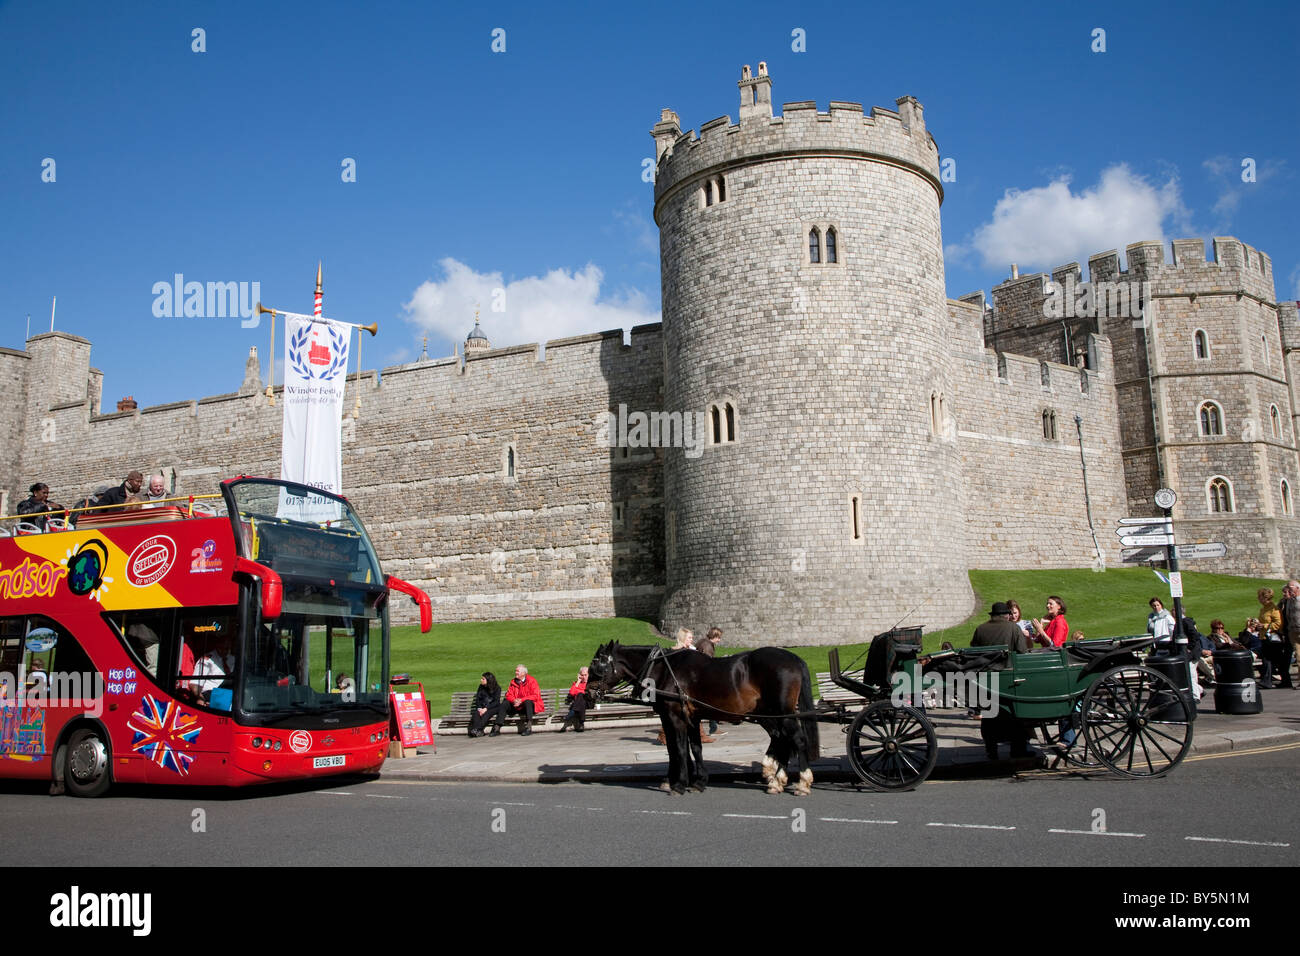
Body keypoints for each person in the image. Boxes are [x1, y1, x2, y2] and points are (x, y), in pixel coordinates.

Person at [1258, 586, 1290, 688]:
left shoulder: (1273, 609)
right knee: (1271, 660)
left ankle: (1268, 681)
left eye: (1259, 597)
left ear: (1265, 597)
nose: (1258, 599)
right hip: (1265, 637)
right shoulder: (1264, 609)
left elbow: (1278, 623)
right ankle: (1282, 681)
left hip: (1273, 638)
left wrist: (1264, 626)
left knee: (1270, 660)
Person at [503, 664, 544, 735]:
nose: (515, 672)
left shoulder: (532, 681)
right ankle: (496, 727)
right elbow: (508, 695)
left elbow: (535, 696)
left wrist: (521, 700)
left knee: (528, 702)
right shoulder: (513, 682)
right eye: (516, 671)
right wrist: (514, 700)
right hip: (517, 706)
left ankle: (528, 727)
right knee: (505, 703)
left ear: (523, 673)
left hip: (529, 707)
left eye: (517, 671)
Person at [1237, 618, 1275, 688]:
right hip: (1252, 652)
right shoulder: (1245, 634)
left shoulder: (1261, 633)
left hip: (1263, 651)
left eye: (1256, 625)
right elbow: (1244, 642)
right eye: (1253, 625)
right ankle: (1266, 680)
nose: (1255, 627)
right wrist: (1248, 631)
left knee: (1267, 657)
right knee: (1264, 657)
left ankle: (1266, 680)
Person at [468, 672, 503, 737]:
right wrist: (479, 708)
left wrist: (486, 708)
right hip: (482, 707)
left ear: (488, 680)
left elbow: (496, 702)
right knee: (476, 713)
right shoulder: (481, 687)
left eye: (483, 679)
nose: (481, 680)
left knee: (487, 713)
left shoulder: (497, 688)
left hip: (493, 707)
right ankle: (480, 731)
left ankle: (476, 729)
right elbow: (478, 699)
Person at [1280, 580, 1300, 689]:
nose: (1288, 591)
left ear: (1297, 588)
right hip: (1292, 632)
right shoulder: (1287, 602)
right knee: (1298, 656)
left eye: (1290, 589)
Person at [558, 667, 588, 733]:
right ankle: (581, 723)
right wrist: (578, 682)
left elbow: (588, 693)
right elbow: (571, 693)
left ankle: (572, 712)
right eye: (582, 675)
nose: (584, 677)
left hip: (588, 702)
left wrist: (579, 691)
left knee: (580, 695)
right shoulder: (576, 683)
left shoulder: (591, 683)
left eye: (585, 675)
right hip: (580, 703)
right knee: (581, 698)